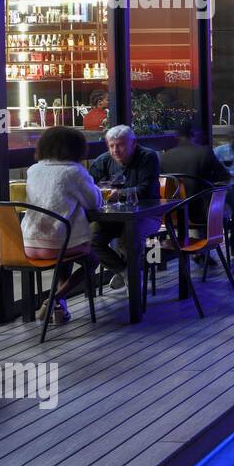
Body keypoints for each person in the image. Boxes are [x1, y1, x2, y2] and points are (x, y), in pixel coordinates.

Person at [22, 126, 102, 324]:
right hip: (57, 245)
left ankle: (61, 310)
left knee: (65, 254)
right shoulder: (73, 171)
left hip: (29, 245)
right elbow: (94, 203)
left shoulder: (33, 170)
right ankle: (54, 299)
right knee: (92, 259)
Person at [88, 124, 161, 288]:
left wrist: (119, 193)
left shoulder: (148, 157)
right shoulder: (104, 160)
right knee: (91, 241)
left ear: (133, 144)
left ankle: (134, 280)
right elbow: (89, 184)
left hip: (147, 214)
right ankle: (126, 271)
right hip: (114, 216)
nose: (115, 150)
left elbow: (145, 190)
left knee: (129, 238)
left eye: (120, 145)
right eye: (111, 145)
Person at [159, 120, 230, 236]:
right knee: (227, 206)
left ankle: (184, 244)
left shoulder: (165, 157)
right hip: (201, 213)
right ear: (193, 134)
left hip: (172, 213)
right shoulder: (204, 152)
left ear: (176, 136)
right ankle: (210, 246)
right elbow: (224, 176)